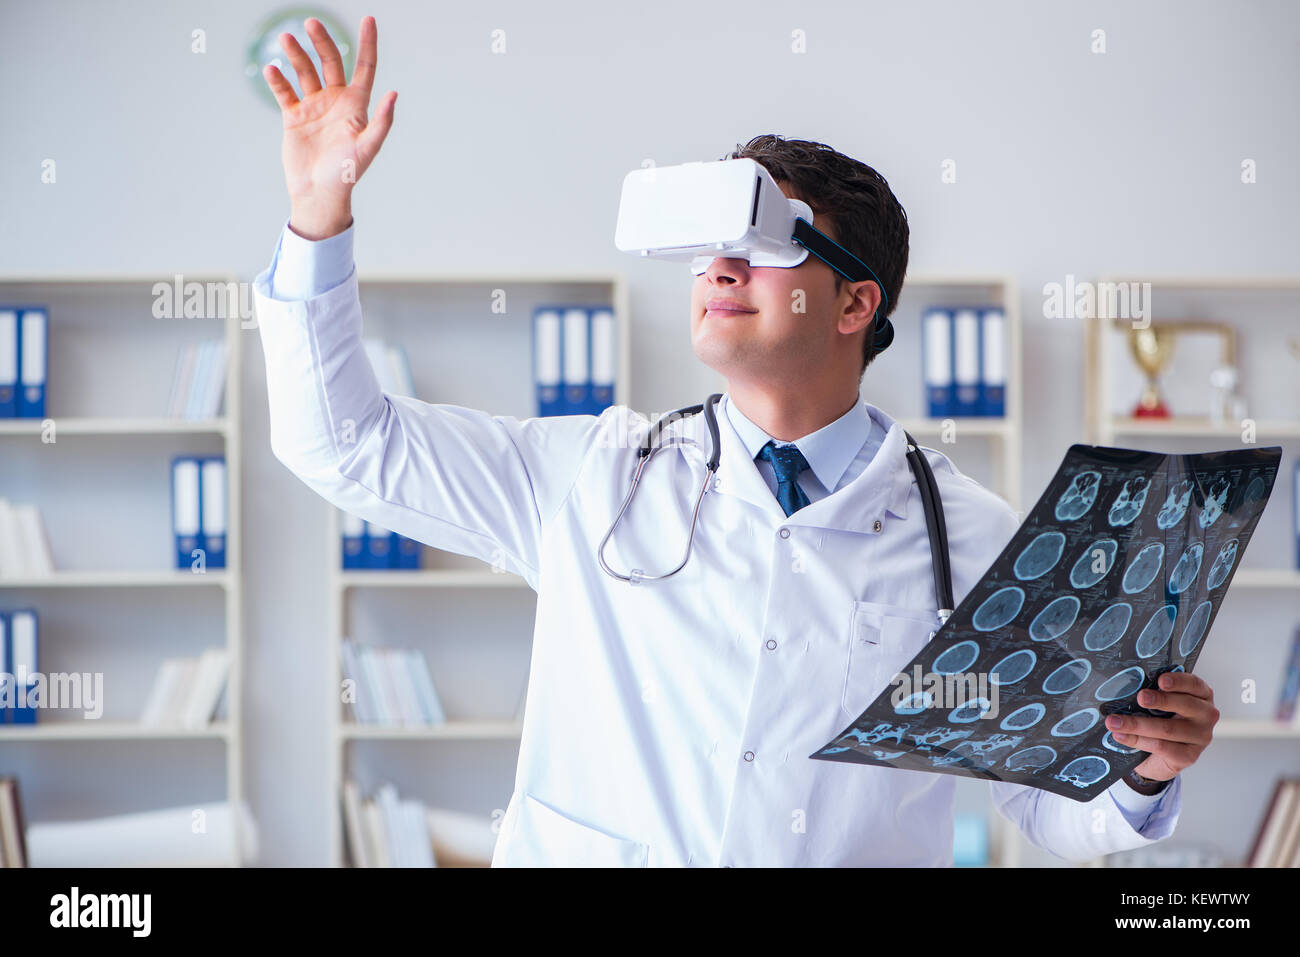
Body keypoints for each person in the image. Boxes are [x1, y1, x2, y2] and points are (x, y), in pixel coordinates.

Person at [255, 16, 1217, 866]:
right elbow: (340, 443)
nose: (719, 264)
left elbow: (1044, 803)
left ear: (855, 301)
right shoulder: (593, 477)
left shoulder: (971, 538)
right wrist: (317, 215)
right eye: (713, 239)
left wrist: (1146, 770)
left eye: (766, 239)